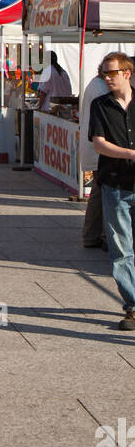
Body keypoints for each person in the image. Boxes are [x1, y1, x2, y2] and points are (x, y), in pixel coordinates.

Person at [87, 53, 135, 329]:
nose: (107, 77)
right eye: (103, 72)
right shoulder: (100, 105)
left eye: (111, 73)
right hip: (114, 184)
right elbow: (100, 144)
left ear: (127, 73)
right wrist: (129, 153)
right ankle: (133, 305)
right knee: (121, 249)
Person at [80, 61, 110, 248]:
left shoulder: (95, 84)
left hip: (95, 149)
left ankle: (91, 236)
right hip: (99, 150)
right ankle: (104, 237)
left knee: (98, 194)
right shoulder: (101, 89)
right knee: (105, 194)